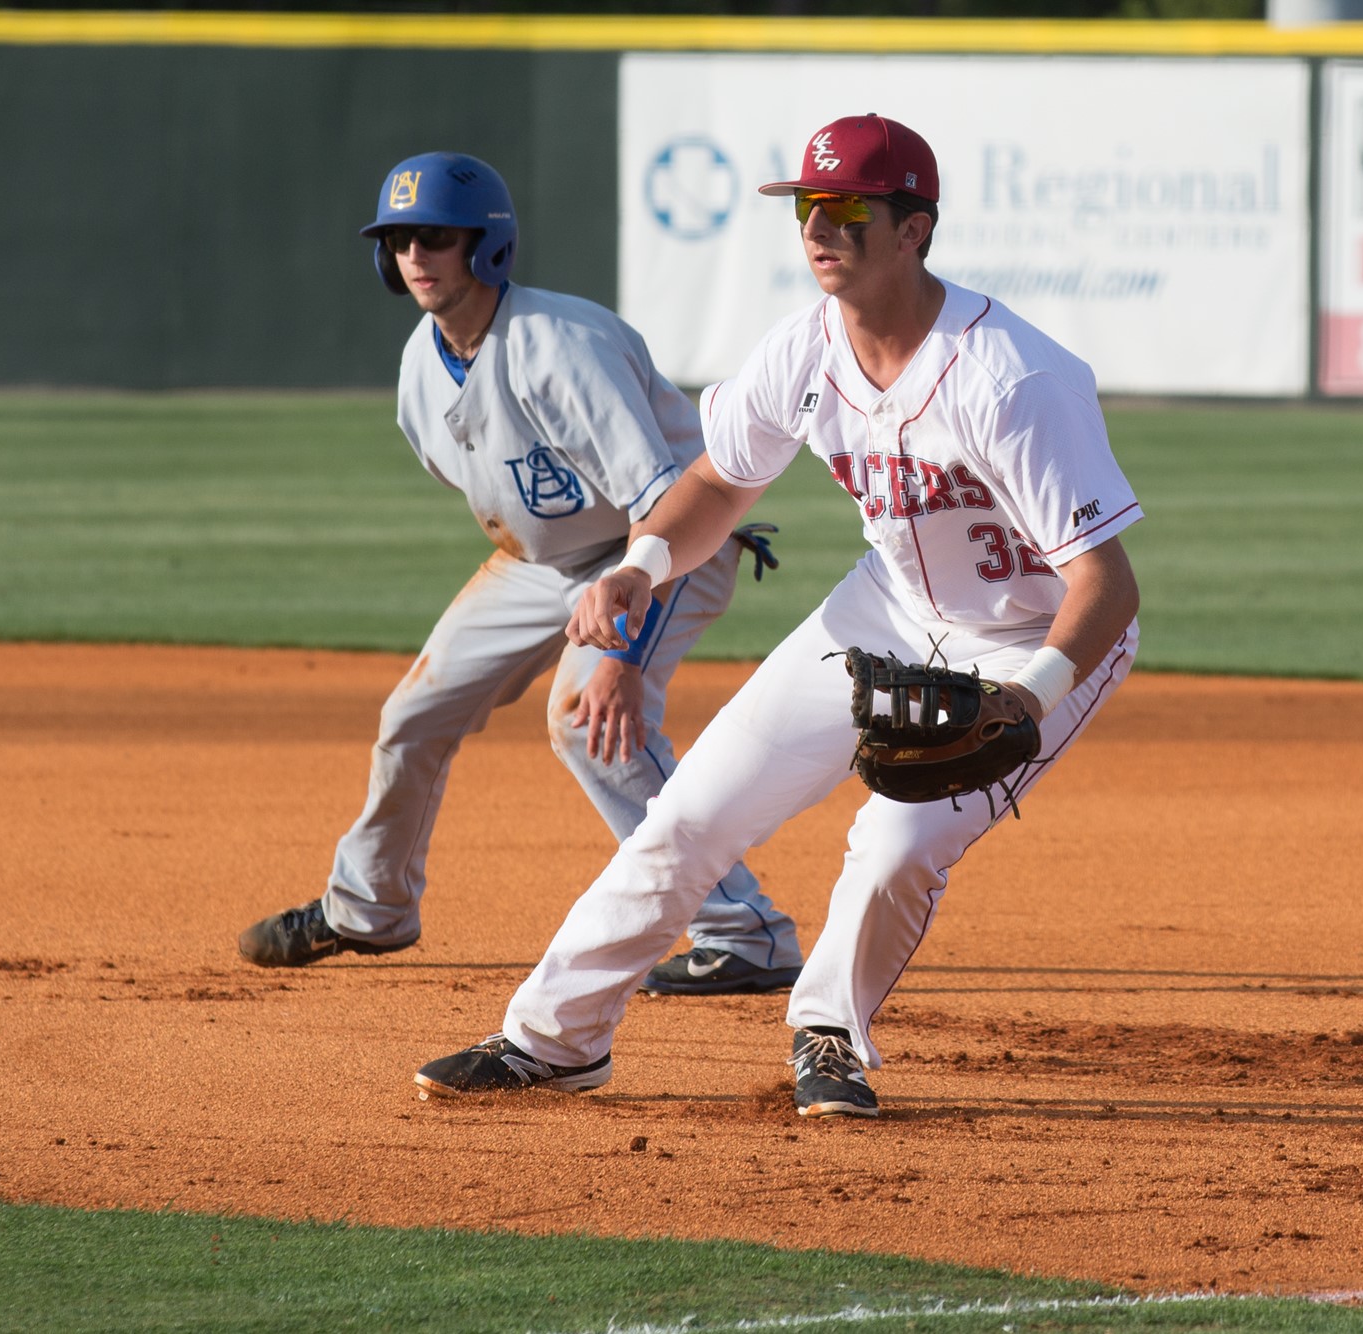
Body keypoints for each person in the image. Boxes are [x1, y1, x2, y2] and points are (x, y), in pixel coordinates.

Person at [413, 115, 1143, 1117]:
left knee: (894, 844)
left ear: (912, 230)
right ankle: (555, 1039)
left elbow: (1106, 581)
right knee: (688, 813)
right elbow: (718, 481)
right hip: (885, 606)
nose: (819, 226)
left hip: (1035, 637)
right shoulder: (801, 349)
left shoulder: (1010, 378)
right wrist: (641, 565)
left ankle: (829, 1035)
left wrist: (1029, 695)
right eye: (807, 207)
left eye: (846, 209)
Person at [237, 152, 803, 996]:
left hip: (658, 551)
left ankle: (743, 932)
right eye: (398, 240)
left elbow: (663, 506)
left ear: (485, 246)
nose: (416, 256)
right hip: (544, 562)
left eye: (436, 236)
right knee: (414, 713)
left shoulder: (560, 347)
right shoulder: (421, 368)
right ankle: (369, 909)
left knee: (590, 721)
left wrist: (618, 656)